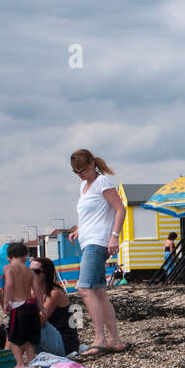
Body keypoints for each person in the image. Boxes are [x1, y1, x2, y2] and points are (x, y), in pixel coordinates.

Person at [68, 148, 126, 357]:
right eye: (75, 172)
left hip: (98, 241)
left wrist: (114, 236)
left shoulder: (102, 183)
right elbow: (91, 216)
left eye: (82, 170)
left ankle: (99, 339)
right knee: (99, 291)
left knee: (84, 289)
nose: (80, 175)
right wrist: (78, 230)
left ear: (92, 164)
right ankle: (115, 340)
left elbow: (120, 209)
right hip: (88, 239)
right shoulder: (84, 185)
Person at [31, 256, 80, 356]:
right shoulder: (33, 293)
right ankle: (7, 357)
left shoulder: (54, 293)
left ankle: (10, 358)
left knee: (27, 320)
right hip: (47, 343)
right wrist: (2, 299)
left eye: (35, 271)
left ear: (45, 274)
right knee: (15, 323)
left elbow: (40, 321)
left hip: (65, 344)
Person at [2, 240, 39, 367]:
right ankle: (31, 362)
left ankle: (19, 363)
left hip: (19, 306)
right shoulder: (30, 271)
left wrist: (6, 301)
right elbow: (37, 289)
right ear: (25, 256)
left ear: (9, 257)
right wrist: (42, 307)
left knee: (14, 338)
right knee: (29, 339)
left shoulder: (8, 267)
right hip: (32, 305)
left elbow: (9, 284)